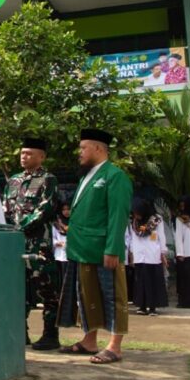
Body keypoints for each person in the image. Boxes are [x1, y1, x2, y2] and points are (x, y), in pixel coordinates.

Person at [57, 128, 132, 365]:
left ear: (98, 148)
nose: (79, 152)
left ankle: (115, 346)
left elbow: (118, 215)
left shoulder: (114, 175)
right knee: (87, 296)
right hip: (82, 248)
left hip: (103, 249)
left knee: (113, 295)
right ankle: (89, 340)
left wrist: (113, 249)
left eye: (83, 148)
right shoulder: (86, 176)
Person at [3, 138, 60, 350]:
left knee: (46, 288)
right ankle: (20, 333)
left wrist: (22, 227)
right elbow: (5, 209)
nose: (23, 156)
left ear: (41, 157)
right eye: (22, 153)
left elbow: (44, 209)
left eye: (29, 153)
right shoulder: (13, 181)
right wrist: (9, 228)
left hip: (39, 243)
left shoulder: (48, 179)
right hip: (15, 244)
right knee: (18, 288)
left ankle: (50, 334)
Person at [127, 198, 168, 316]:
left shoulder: (156, 220)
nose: (136, 215)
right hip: (140, 255)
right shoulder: (134, 222)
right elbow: (132, 238)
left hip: (153, 255)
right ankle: (142, 306)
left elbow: (161, 236)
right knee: (141, 281)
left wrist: (163, 252)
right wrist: (132, 252)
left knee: (153, 281)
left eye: (137, 212)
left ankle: (153, 307)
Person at [53, 202, 70, 285]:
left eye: (68, 209)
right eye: (64, 210)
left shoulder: (74, 222)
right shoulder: (56, 224)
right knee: (62, 278)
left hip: (73, 254)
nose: (66, 212)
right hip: (61, 255)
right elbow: (53, 239)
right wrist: (59, 243)